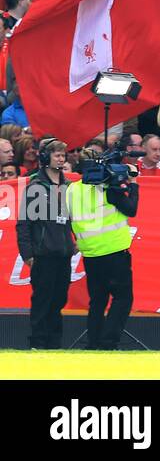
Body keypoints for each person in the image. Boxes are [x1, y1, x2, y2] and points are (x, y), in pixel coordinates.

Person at [65, 147, 139, 350]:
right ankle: (109, 341)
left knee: (97, 301)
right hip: (114, 250)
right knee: (123, 298)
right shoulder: (107, 186)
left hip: (90, 253)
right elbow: (131, 209)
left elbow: (70, 220)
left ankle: (93, 341)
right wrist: (133, 186)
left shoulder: (71, 189)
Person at [15, 139, 75, 349]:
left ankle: (55, 343)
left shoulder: (69, 186)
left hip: (64, 253)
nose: (61, 158)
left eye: (62, 155)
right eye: (57, 155)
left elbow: (75, 219)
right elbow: (24, 223)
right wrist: (27, 254)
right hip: (44, 254)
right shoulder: (36, 186)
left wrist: (74, 243)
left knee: (59, 300)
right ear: (45, 158)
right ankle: (38, 342)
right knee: (42, 300)